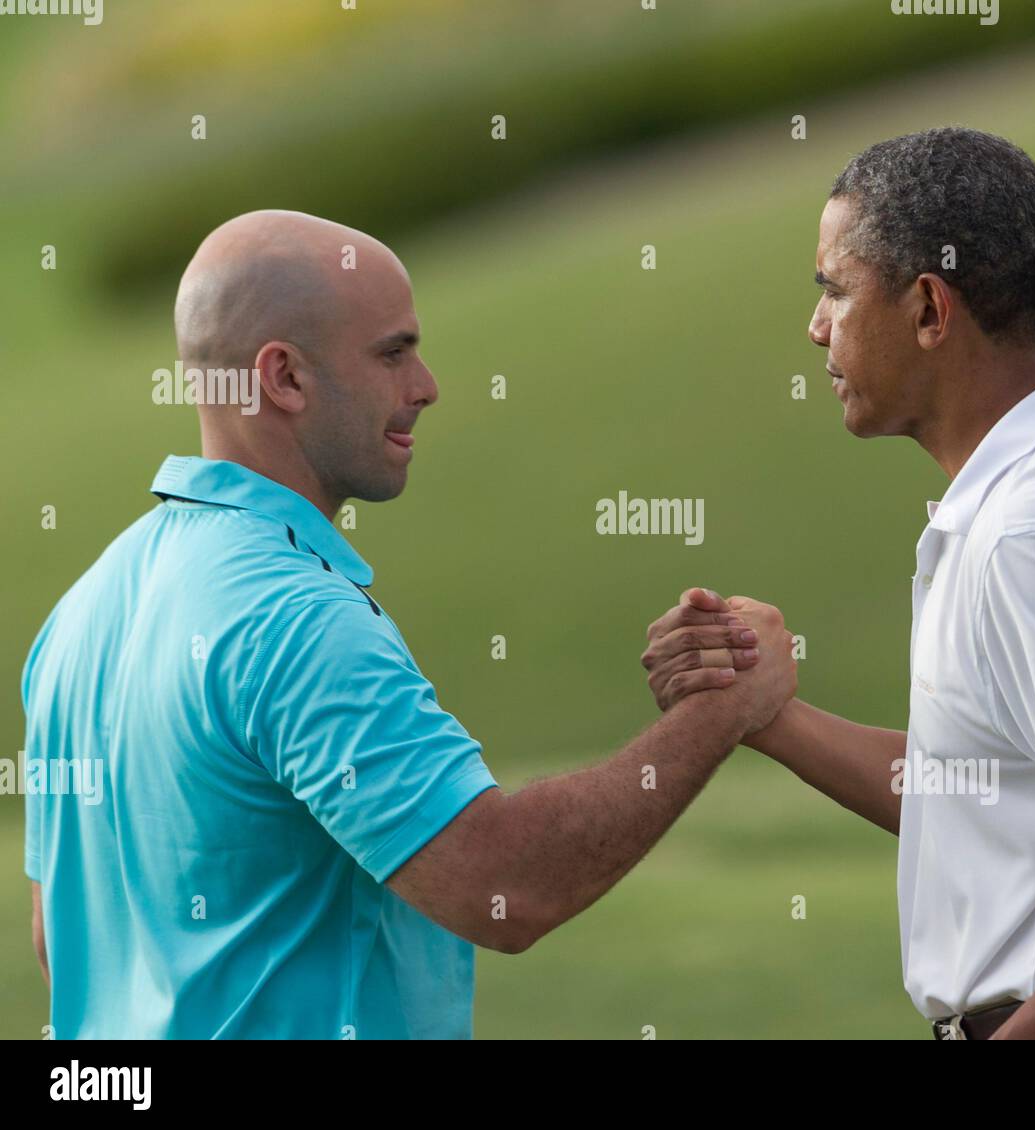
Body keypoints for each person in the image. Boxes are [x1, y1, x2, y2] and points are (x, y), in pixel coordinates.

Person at [22, 209, 797, 1039]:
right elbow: (506, 886)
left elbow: (56, 937)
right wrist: (722, 707)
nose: (425, 386)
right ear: (282, 378)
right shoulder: (292, 619)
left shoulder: (78, 615)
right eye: (393, 353)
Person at [641, 127, 1035, 1040]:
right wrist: (769, 714)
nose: (816, 326)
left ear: (929, 311)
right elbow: (988, 793)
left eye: (833, 289)